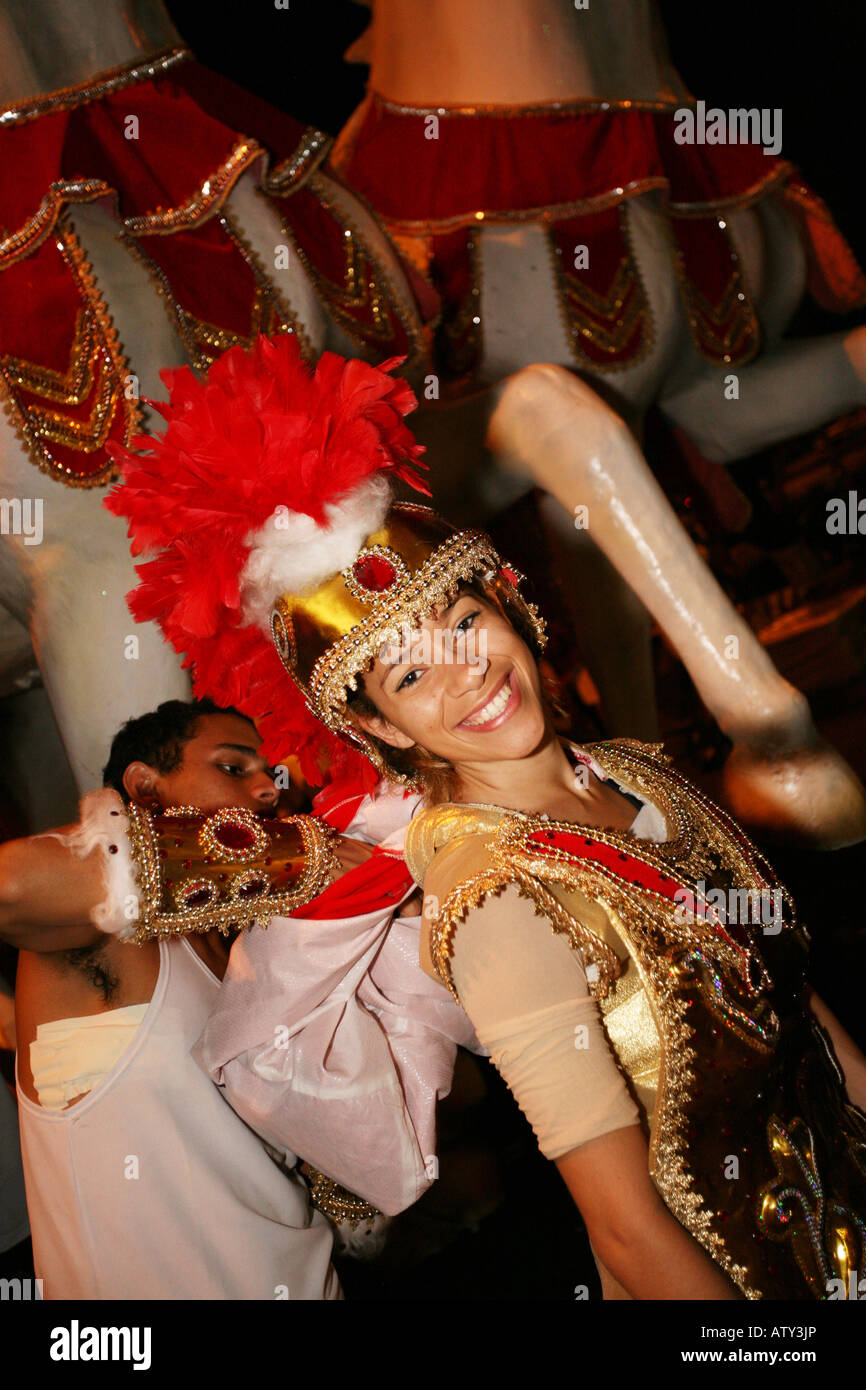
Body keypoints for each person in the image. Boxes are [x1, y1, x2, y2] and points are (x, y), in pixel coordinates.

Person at [105, 331, 866, 1300]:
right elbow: (625, 1230)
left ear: (514, 601)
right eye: (410, 673)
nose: (466, 673)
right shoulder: (493, 897)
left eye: (463, 621)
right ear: (375, 725)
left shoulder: (637, 773)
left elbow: (796, 1007)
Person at [0, 696, 346, 1300]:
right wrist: (294, 858)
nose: (268, 789)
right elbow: (9, 885)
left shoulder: (253, 944)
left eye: (272, 774)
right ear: (145, 788)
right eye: (233, 768)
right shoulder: (107, 927)